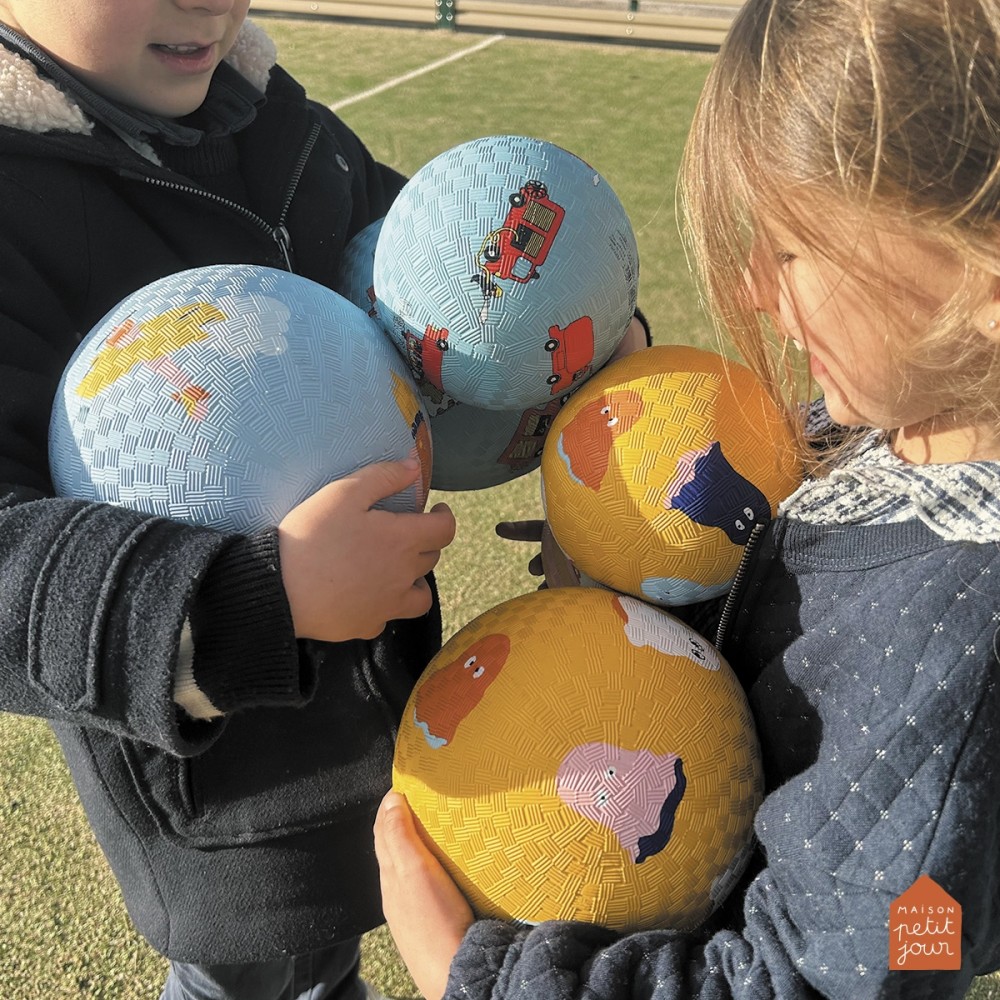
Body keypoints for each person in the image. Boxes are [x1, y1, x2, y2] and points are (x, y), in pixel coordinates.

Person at [373, 0, 1000, 997]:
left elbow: (825, 979)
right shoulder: (888, 426)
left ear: (980, 269)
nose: (752, 288)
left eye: (791, 249)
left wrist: (480, 972)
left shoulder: (962, 651)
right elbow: (791, 599)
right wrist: (636, 576)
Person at [0, 1, 459, 998]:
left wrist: (571, 333)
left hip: (379, 707)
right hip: (228, 804)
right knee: (250, 980)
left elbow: (430, 278)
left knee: (326, 965)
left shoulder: (282, 126)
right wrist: (253, 602)